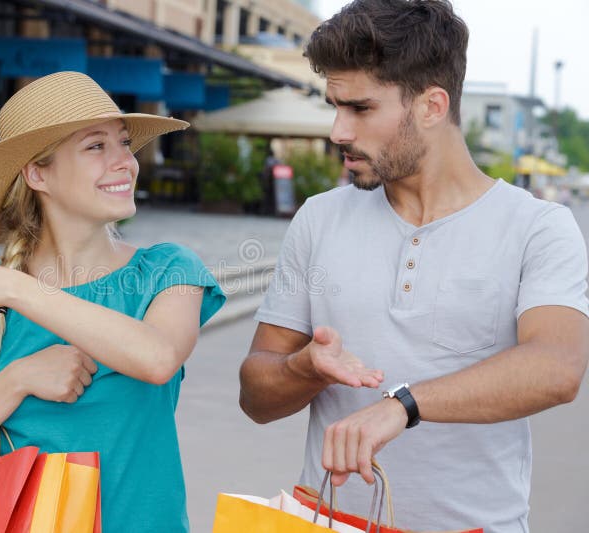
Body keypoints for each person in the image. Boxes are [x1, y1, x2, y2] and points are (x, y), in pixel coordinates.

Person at [238, 2, 589, 532]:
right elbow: (256, 398)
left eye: (359, 108)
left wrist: (403, 405)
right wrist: (304, 368)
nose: (337, 130)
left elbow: (558, 368)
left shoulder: (538, 227)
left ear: (431, 106)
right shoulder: (320, 218)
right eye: (334, 106)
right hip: (325, 522)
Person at [0, 72, 226, 532]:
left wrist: (18, 289)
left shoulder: (168, 271)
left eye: (125, 143)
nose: (125, 162)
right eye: (96, 146)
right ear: (37, 173)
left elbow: (157, 357)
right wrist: (15, 380)